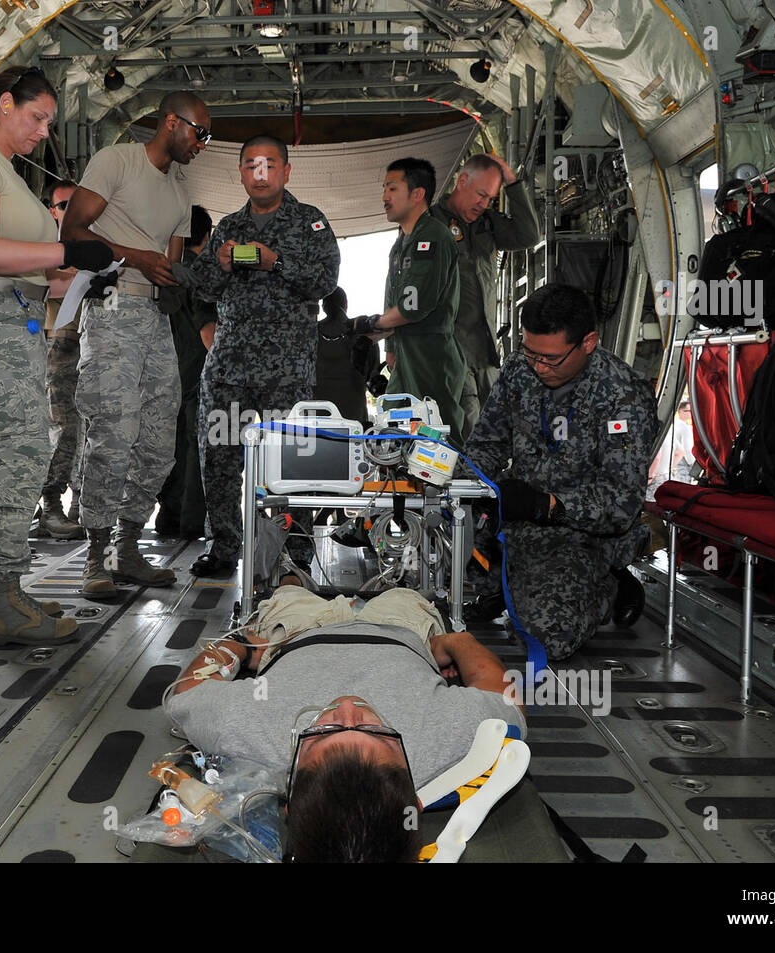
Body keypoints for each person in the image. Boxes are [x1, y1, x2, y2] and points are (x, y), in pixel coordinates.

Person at [0, 66, 114, 646]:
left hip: (12, 322)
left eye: (49, 123)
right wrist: (66, 247)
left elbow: (29, 270)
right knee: (23, 444)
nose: (42, 131)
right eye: (37, 117)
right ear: (5, 104)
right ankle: (2, 590)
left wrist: (82, 273)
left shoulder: (5, 173)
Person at [165, 585, 521, 863]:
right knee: (404, 591)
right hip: (400, 627)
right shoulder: (445, 741)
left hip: (297, 630)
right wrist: (456, 644)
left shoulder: (247, 732)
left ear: (290, 792)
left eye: (321, 734)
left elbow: (185, 692)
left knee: (287, 592)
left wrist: (241, 647)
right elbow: (507, 699)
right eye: (376, 733)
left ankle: (293, 572)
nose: (348, 708)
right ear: (413, 784)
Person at [62, 91, 210, 599]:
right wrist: (135, 259)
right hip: (112, 308)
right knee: (112, 432)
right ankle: (96, 555)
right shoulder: (117, 160)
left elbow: (168, 262)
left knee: (158, 437)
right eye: (200, 133)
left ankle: (128, 545)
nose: (203, 144)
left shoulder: (180, 188)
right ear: (172, 123)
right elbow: (73, 231)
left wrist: (194, 274)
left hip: (155, 317)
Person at [465, 282, 658, 660]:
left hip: (582, 536)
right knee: (430, 576)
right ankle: (504, 584)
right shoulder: (520, 371)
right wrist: (467, 489)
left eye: (550, 359)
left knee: (548, 633)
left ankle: (612, 583)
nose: (538, 366)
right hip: (513, 523)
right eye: (530, 352)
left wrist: (546, 505)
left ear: (588, 342)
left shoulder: (624, 395)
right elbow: (486, 446)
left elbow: (619, 505)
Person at [187, 134, 340, 578]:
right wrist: (222, 263)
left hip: (286, 374)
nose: (261, 173)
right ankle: (225, 548)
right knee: (219, 460)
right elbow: (202, 289)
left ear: (286, 171)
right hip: (228, 371)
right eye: (251, 165)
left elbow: (325, 281)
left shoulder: (310, 223)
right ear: (240, 173)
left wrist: (276, 262)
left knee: (291, 463)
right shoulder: (228, 228)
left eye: (270, 164)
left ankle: (294, 553)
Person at [351, 158, 466, 438]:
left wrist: (369, 324)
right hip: (405, 353)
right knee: (399, 435)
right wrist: (389, 346)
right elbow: (394, 297)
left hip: (430, 353)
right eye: (384, 189)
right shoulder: (402, 242)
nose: (384, 197)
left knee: (440, 435)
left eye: (392, 189)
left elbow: (412, 306)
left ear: (417, 194)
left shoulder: (432, 238)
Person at [429, 153, 540, 440]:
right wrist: (394, 344)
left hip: (487, 351)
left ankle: (486, 483)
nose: (484, 204)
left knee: (494, 431)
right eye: (481, 195)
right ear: (462, 181)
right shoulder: (428, 224)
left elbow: (528, 236)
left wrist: (513, 184)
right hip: (452, 348)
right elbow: (401, 281)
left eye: (490, 198)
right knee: (469, 430)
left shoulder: (488, 224)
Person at [154, 205, 215, 539]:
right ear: (206, 237)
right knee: (197, 443)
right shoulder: (206, 275)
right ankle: (191, 520)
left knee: (167, 441)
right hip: (200, 367)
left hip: (166, 366)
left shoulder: (166, 273)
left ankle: (167, 513)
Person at [36, 178, 84, 540]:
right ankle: (50, 503)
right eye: (63, 206)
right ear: (52, 211)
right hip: (60, 346)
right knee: (64, 429)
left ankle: (82, 505)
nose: (69, 211)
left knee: (96, 430)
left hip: (96, 346)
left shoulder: (96, 244)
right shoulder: (43, 246)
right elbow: (43, 284)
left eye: (75, 204)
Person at [312, 287, 376, 426]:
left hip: (317, 417)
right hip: (354, 416)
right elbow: (372, 375)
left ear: (323, 307)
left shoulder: (310, 334)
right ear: (346, 304)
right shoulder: (362, 333)